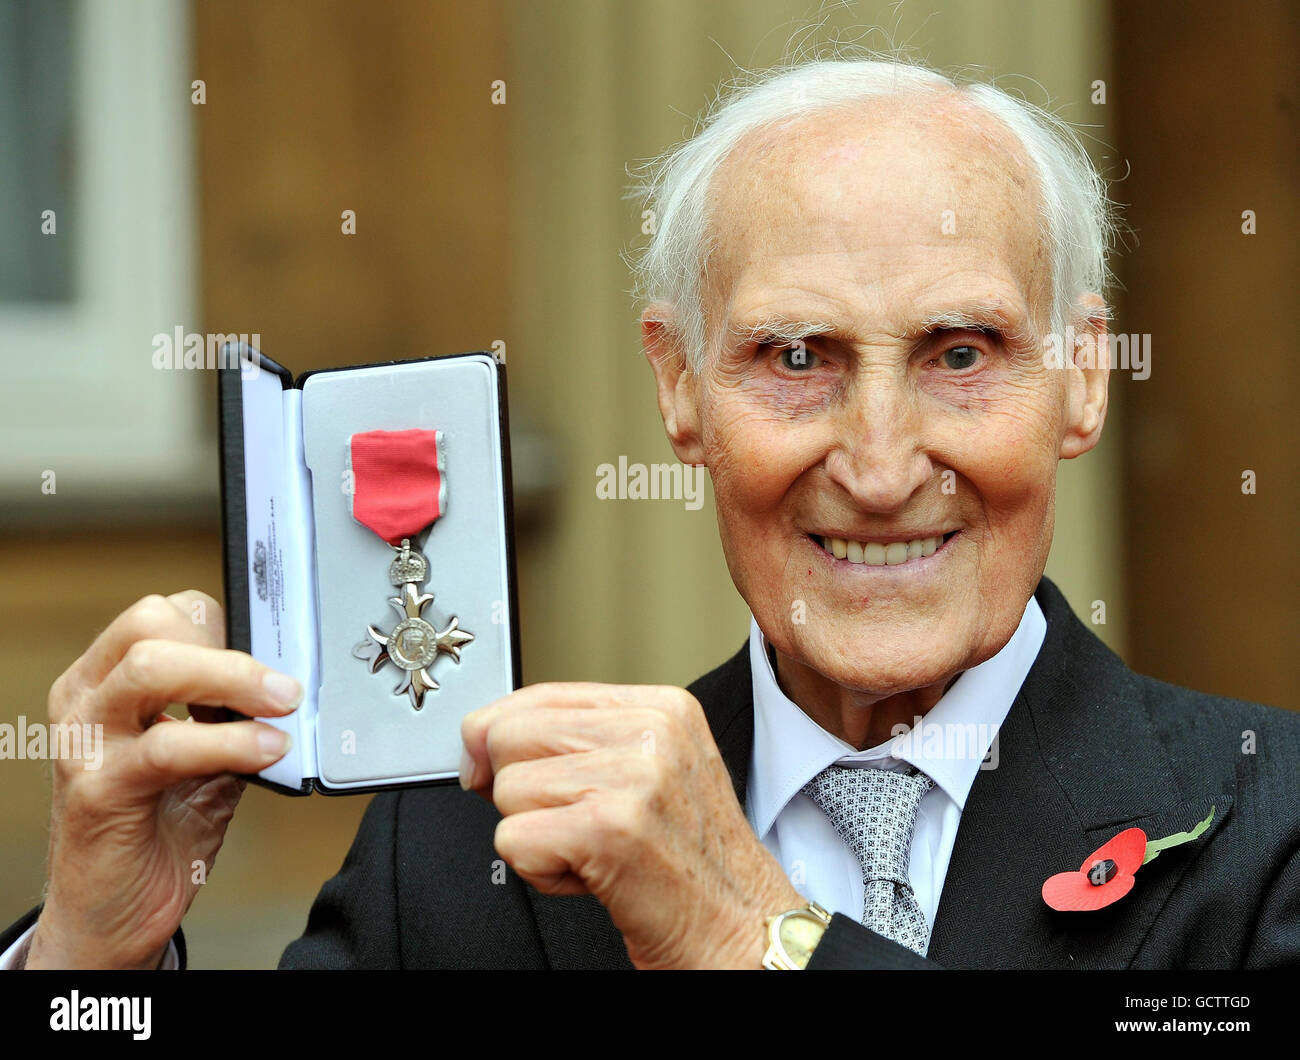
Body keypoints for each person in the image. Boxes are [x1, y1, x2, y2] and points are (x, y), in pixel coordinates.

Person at [6, 55, 1298, 971]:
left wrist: (756, 942)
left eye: (962, 355)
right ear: (679, 391)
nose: (884, 461)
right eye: (797, 358)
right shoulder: (464, 864)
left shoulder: (1271, 832)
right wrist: (88, 962)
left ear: (1083, 381)